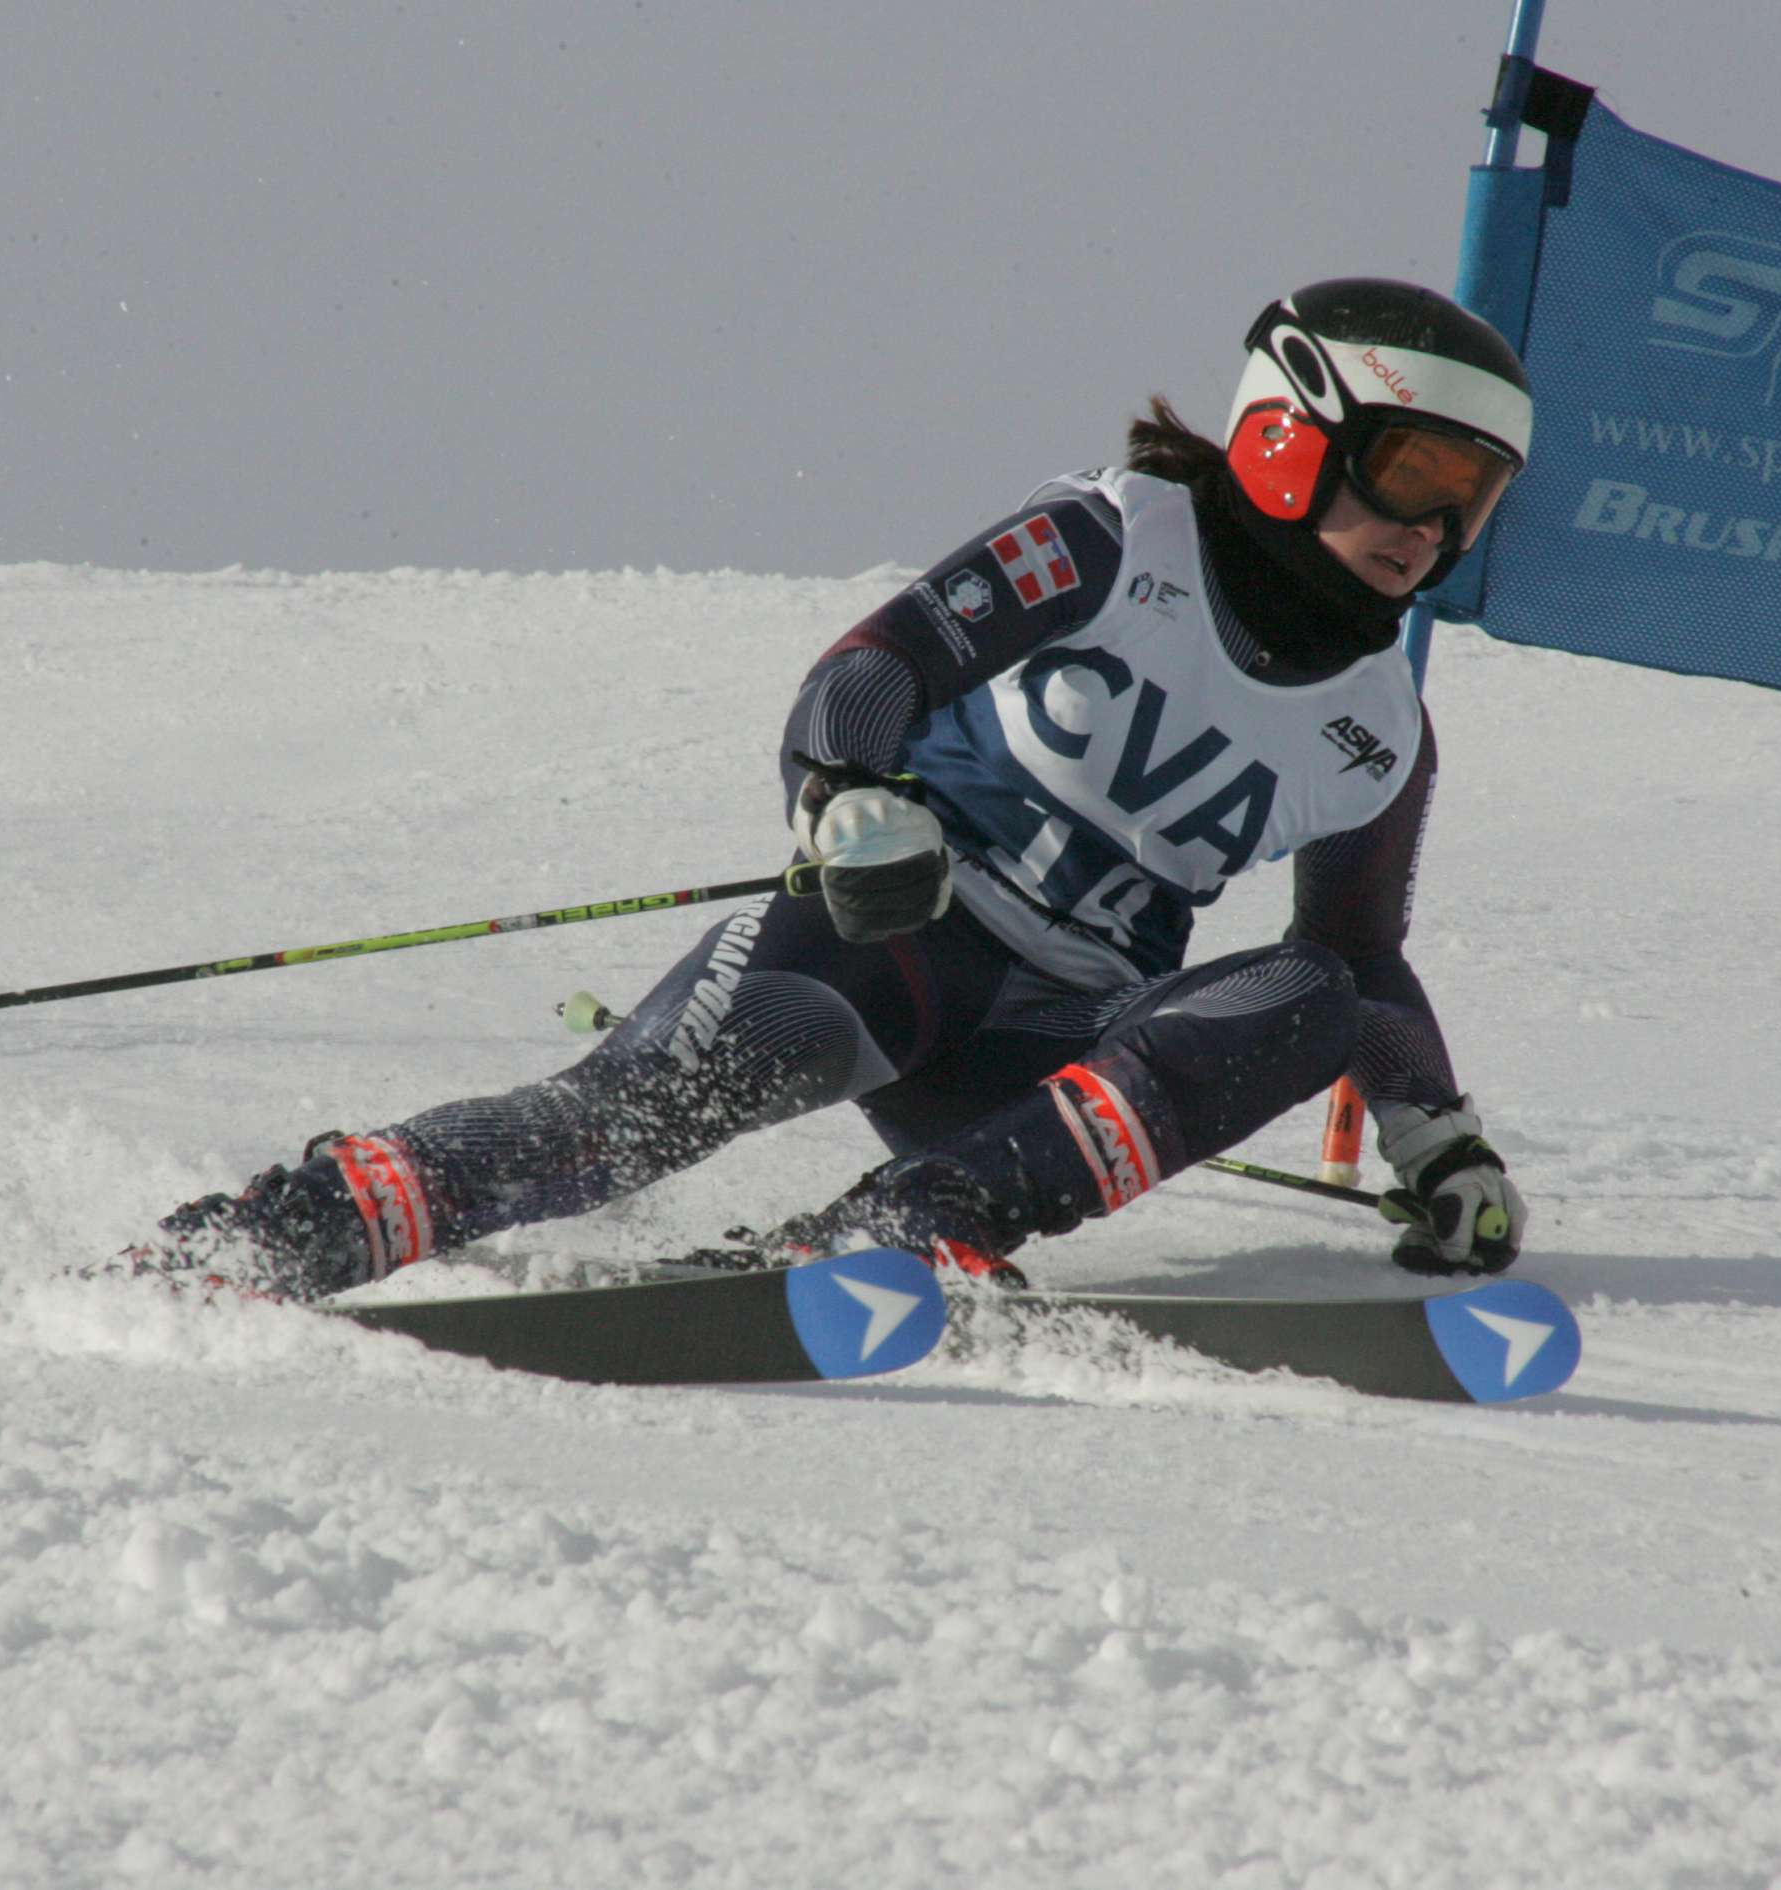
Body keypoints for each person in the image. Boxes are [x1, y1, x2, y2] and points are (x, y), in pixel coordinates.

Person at [146, 279, 1534, 1298]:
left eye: (1470, 501)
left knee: (1312, 995)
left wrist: (1437, 1135)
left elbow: (1360, 957)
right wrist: (845, 790)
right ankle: (293, 1228)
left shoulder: (1380, 730)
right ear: (1292, 432)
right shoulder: (1115, 540)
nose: (1431, 529)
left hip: (1048, 1053)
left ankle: (911, 1224)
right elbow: (878, 665)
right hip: (890, 945)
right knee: (625, 1120)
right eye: (1412, 472)